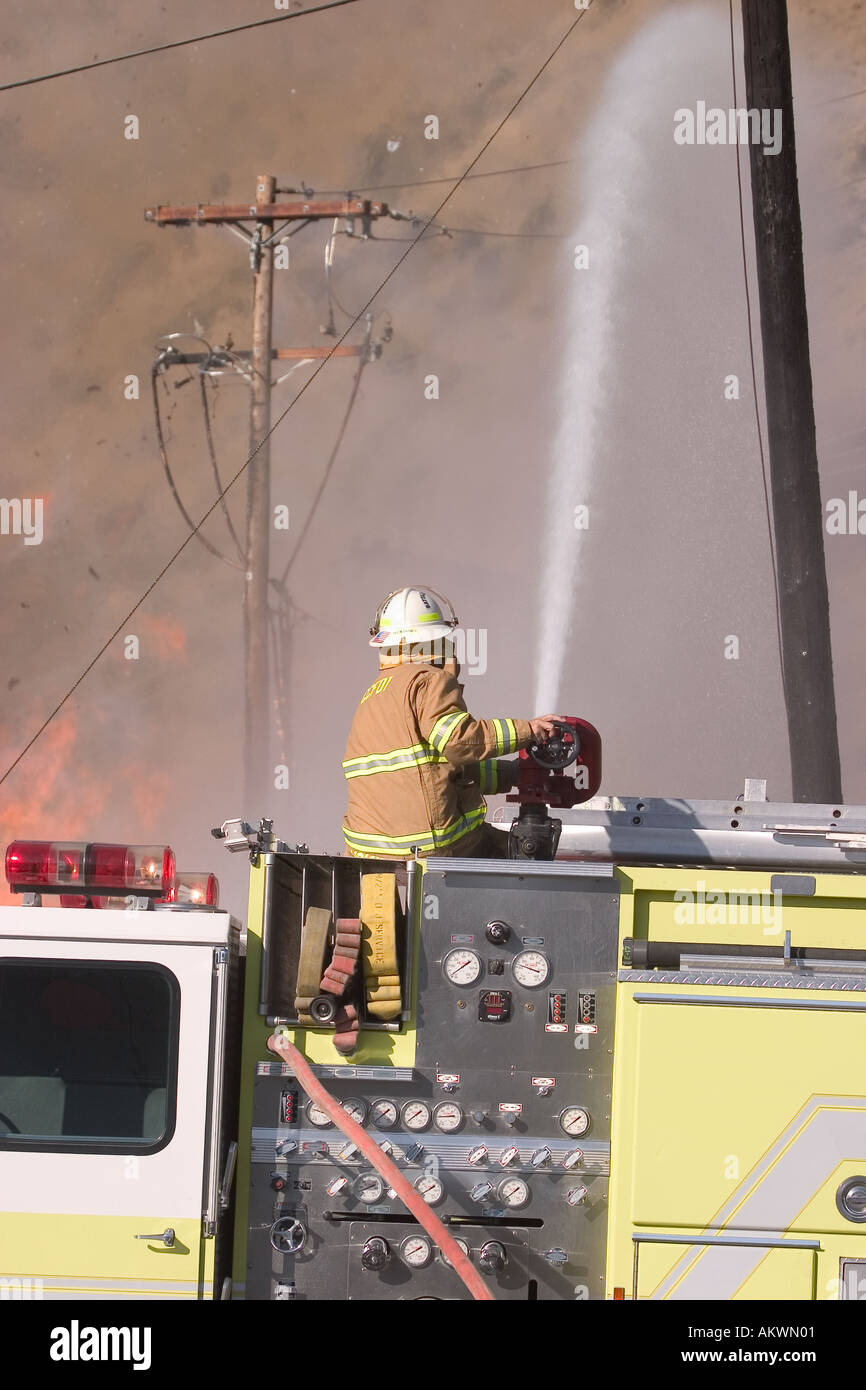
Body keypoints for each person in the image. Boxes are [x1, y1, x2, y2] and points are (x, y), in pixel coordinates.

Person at [342, 586, 565, 859]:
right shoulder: (427, 681)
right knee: (522, 852)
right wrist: (528, 730)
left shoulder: (373, 695)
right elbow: (458, 743)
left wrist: (514, 774)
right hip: (426, 848)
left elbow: (440, 772)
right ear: (433, 641)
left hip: (368, 853)